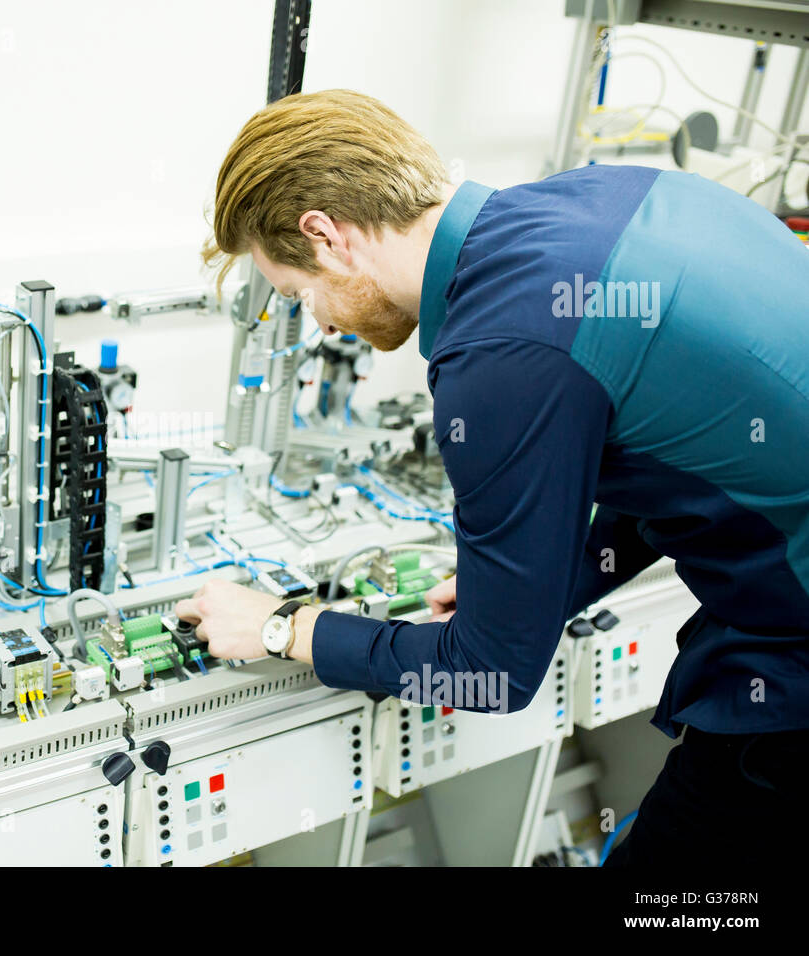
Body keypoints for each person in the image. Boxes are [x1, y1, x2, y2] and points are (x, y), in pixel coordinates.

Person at [175, 89, 809, 865]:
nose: (324, 324)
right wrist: (539, 585)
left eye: (297, 294)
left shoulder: (499, 349)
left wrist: (283, 629)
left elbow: (493, 676)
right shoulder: (615, 191)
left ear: (326, 236)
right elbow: (678, 460)